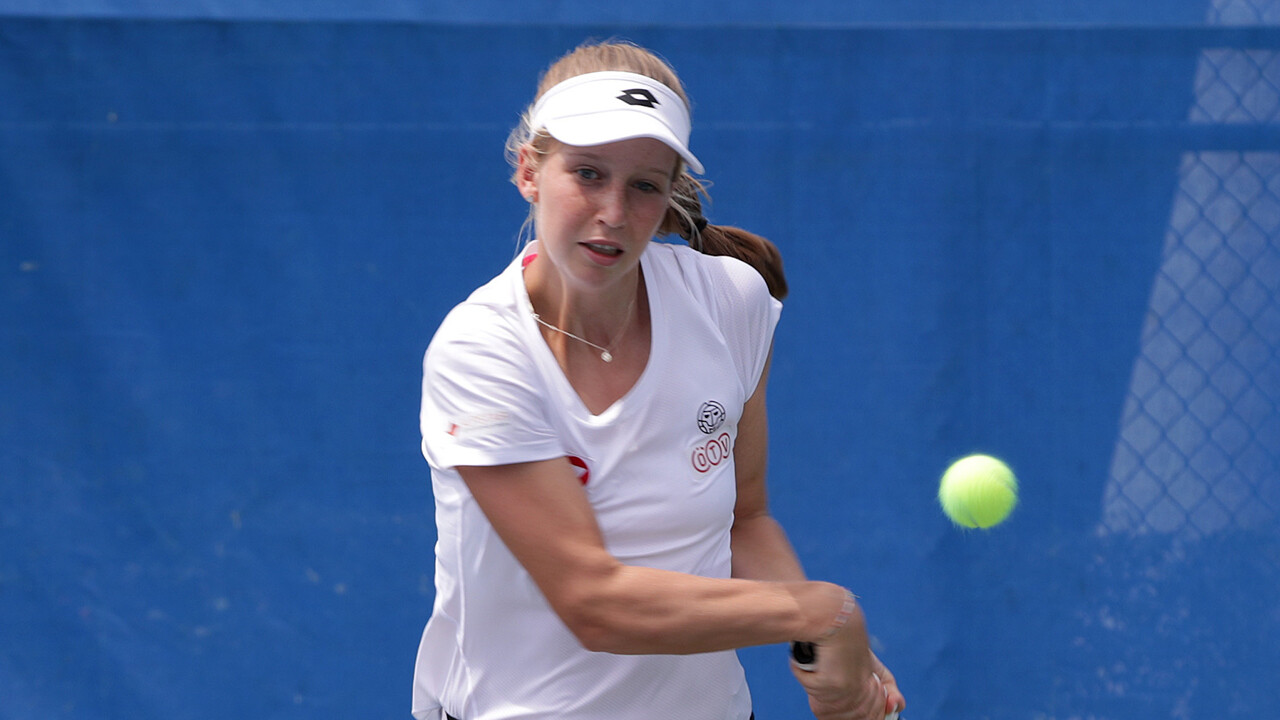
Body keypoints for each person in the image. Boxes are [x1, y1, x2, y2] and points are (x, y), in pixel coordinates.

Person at [411, 40, 905, 720]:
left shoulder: (730, 301)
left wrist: (822, 652)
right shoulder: (480, 352)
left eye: (644, 185)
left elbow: (744, 521)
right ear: (529, 172)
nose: (613, 212)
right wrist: (822, 612)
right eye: (588, 174)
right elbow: (594, 604)